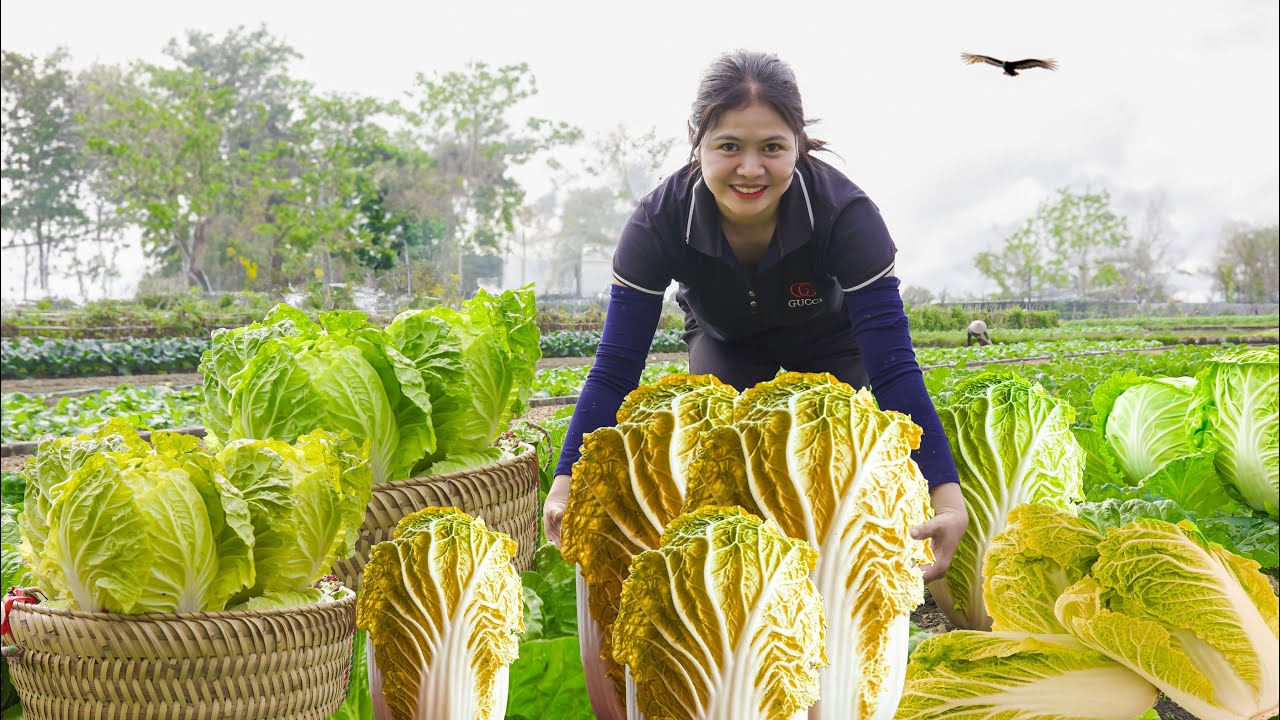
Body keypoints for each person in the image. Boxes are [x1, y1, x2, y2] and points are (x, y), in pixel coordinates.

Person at [543, 50, 967, 584]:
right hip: (727, 343)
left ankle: (832, 607)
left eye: (772, 147)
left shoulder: (846, 216)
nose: (750, 168)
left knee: (822, 479)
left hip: (831, 349)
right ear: (697, 141)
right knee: (731, 477)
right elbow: (615, 367)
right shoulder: (659, 220)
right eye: (728, 147)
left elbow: (895, 369)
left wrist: (945, 498)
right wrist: (563, 483)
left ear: (798, 142)